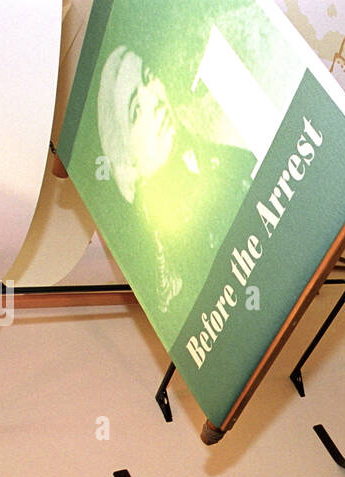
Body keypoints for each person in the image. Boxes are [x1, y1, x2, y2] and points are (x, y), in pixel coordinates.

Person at [94, 45, 256, 322]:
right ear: (128, 167)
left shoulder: (224, 150)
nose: (154, 97)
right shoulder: (165, 264)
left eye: (147, 76)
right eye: (135, 110)